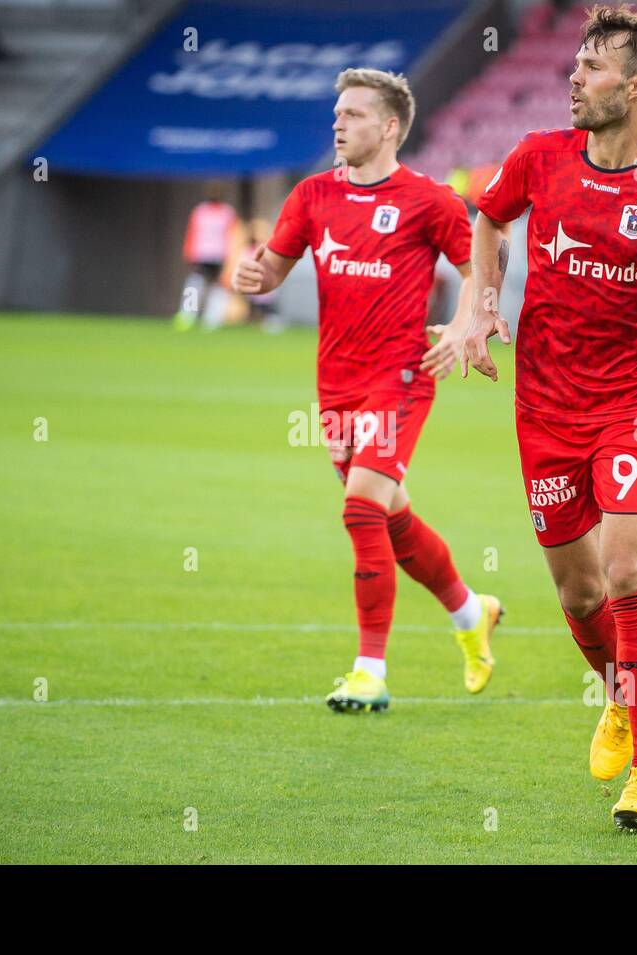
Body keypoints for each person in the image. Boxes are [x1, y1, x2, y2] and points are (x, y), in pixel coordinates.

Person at [429, 3, 637, 831]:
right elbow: (489, 217)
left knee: (628, 573)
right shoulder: (539, 157)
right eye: (575, 62)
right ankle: (619, 694)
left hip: (632, 407)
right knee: (579, 598)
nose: (573, 76)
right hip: (542, 405)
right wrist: (477, 305)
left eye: (593, 67)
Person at [233, 68, 503, 713]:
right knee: (390, 517)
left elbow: (479, 269)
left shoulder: (428, 200)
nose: (338, 123)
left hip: (402, 376)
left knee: (360, 510)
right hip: (335, 383)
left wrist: (466, 324)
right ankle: (471, 611)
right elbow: (273, 267)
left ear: (388, 128)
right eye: (337, 114)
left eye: (353, 114)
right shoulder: (312, 195)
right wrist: (255, 274)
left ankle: (369, 672)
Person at [175, 184, 237, 331]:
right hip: (202, 252)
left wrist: (232, 256)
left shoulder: (227, 213)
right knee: (195, 283)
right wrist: (188, 250)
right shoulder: (200, 211)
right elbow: (193, 231)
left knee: (219, 287)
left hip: (220, 254)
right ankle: (187, 315)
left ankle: (212, 319)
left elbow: (233, 235)